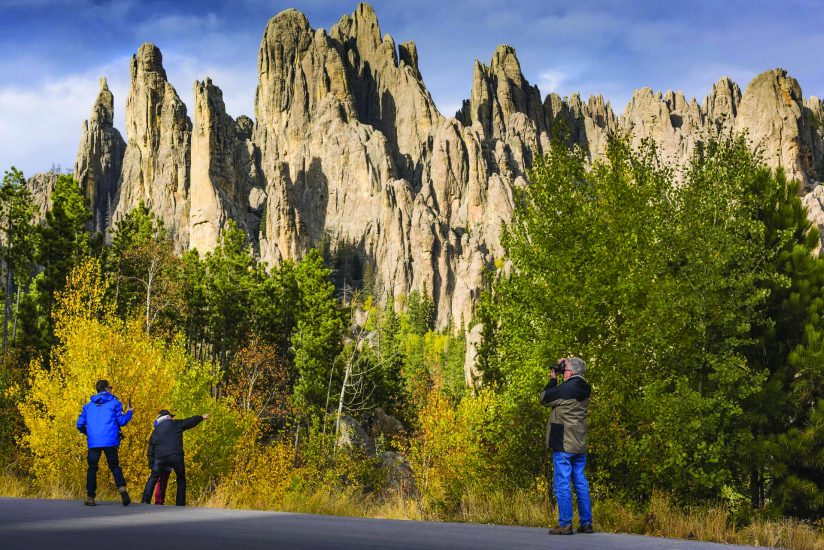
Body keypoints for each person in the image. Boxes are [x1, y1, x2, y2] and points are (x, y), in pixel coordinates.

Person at [540, 357, 593, 535]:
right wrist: (566, 366)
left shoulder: (565, 388)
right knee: (580, 482)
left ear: (569, 372)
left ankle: (565, 524)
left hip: (563, 443)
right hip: (579, 443)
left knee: (562, 483)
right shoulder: (585, 388)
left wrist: (553, 379)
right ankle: (586, 523)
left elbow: (545, 398)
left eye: (566, 369)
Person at [76, 379, 134, 507]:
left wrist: (89, 433)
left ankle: (90, 497)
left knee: (92, 468)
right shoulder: (115, 403)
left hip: (94, 442)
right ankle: (122, 490)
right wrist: (130, 412)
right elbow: (122, 421)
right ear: (107, 389)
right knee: (114, 466)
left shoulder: (87, 406)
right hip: (110, 440)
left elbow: (79, 424)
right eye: (110, 387)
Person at [141, 409, 209, 506]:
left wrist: (151, 464)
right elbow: (190, 421)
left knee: (153, 478)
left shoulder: (155, 431)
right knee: (181, 478)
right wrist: (201, 417)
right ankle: (180, 504)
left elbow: (151, 448)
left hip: (160, 458)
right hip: (176, 456)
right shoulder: (176, 424)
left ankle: (145, 501)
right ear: (168, 417)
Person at [150, 413, 173, 505]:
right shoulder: (165, 430)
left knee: (162, 481)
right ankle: (158, 501)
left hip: (162, 458)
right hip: (161, 458)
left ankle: (160, 501)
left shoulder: (158, 429)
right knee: (160, 481)